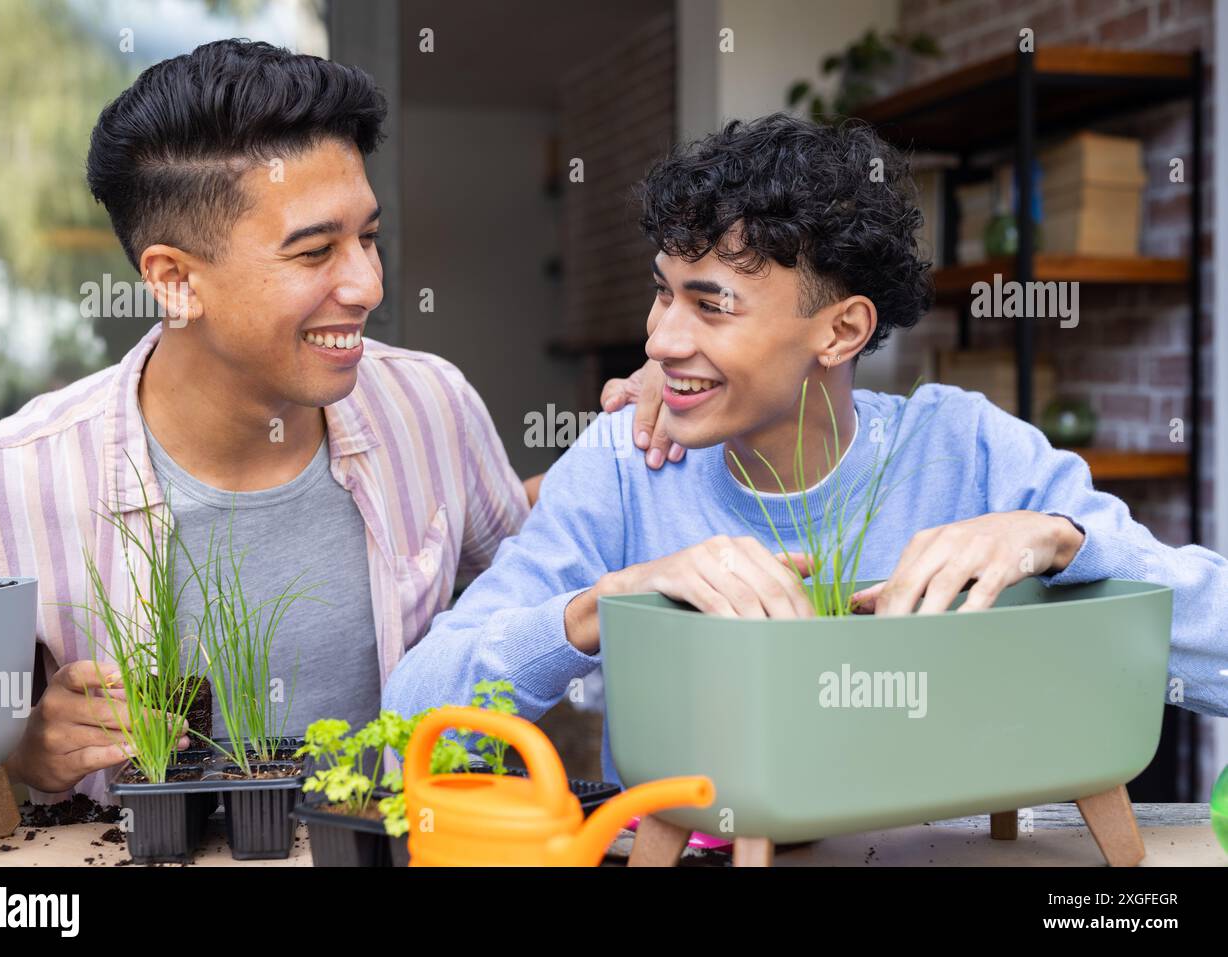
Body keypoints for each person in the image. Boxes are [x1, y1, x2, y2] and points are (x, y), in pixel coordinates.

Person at [383, 113, 1228, 786]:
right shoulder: (624, 463)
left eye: (710, 307)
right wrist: (603, 605)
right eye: (662, 294)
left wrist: (1062, 540)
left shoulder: (964, 447)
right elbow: (410, 724)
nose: (661, 339)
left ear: (842, 329)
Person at [0, 39, 672, 803]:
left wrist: (661, 418)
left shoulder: (430, 405)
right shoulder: (3, 483)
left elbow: (536, 564)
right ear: (175, 279)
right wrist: (15, 751)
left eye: (369, 238)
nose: (368, 284)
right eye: (316, 251)